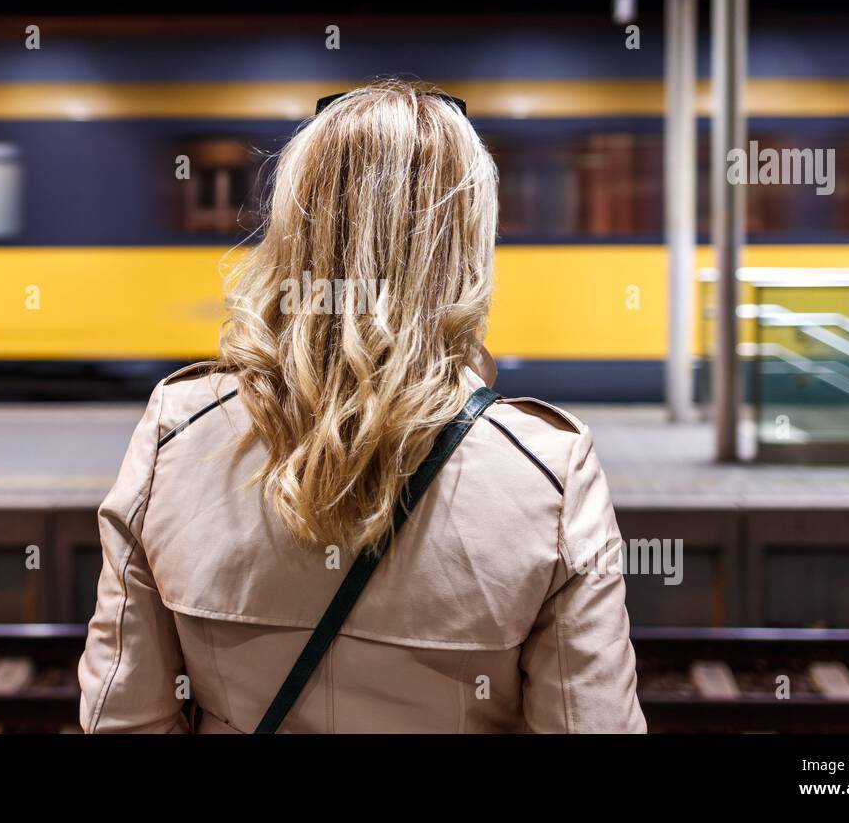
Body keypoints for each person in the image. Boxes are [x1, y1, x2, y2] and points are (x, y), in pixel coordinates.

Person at [79, 80, 645, 733]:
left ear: (293, 226)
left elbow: (124, 718)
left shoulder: (178, 435)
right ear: (463, 244)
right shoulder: (550, 472)